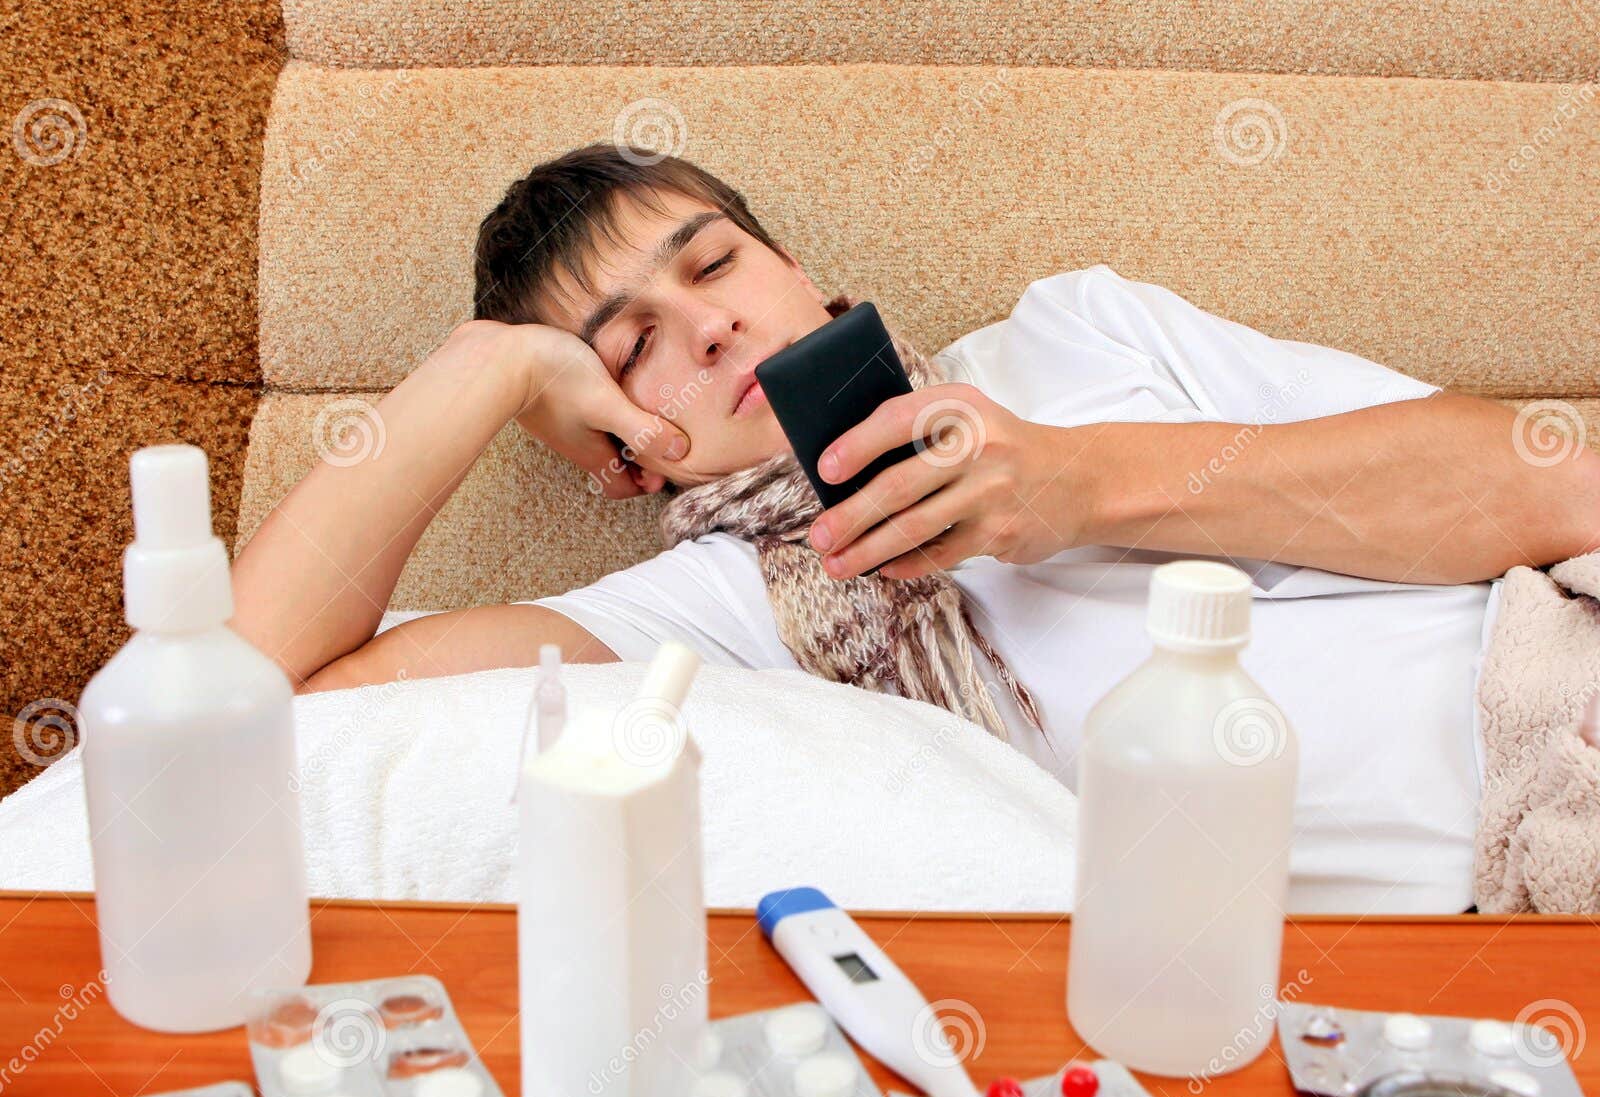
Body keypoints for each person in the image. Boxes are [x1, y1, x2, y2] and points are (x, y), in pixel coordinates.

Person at [231, 144, 1600, 911]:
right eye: (630, 346)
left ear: (795, 272)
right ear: (612, 450)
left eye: (714, 265)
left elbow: (1556, 482)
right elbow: (254, 698)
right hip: (1504, 926)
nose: (709, 323)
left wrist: (1077, 481)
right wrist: (483, 372)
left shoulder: (1077, 334)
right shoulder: (706, 618)